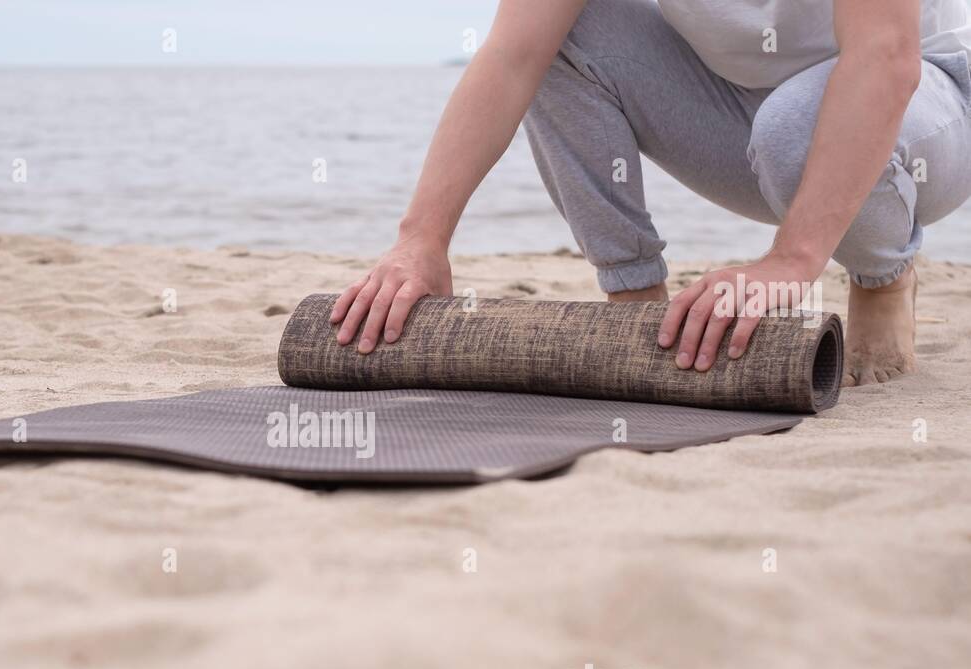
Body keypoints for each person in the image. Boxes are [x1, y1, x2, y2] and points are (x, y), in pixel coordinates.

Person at [330, 0, 971, 386]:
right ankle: (636, 300)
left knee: (792, 130)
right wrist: (421, 239)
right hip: (737, 117)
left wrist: (792, 261)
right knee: (564, 35)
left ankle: (882, 275)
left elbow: (885, 55)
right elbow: (512, 55)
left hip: (919, 111)